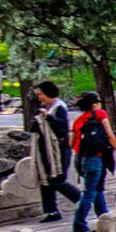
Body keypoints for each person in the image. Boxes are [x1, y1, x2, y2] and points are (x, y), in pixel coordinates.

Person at [69, 91, 116, 232]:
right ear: (94, 104)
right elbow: (110, 134)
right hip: (94, 158)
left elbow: (72, 143)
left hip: (79, 158)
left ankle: (104, 218)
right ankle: (79, 224)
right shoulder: (100, 114)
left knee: (96, 188)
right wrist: (113, 147)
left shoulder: (78, 121)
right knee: (89, 192)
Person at [32, 81, 81, 222]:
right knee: (45, 180)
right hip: (46, 150)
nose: (39, 97)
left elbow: (62, 127)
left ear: (48, 93)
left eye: (41, 94)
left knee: (57, 179)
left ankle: (80, 198)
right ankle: (51, 211)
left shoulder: (59, 108)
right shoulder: (44, 107)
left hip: (59, 150)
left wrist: (48, 116)